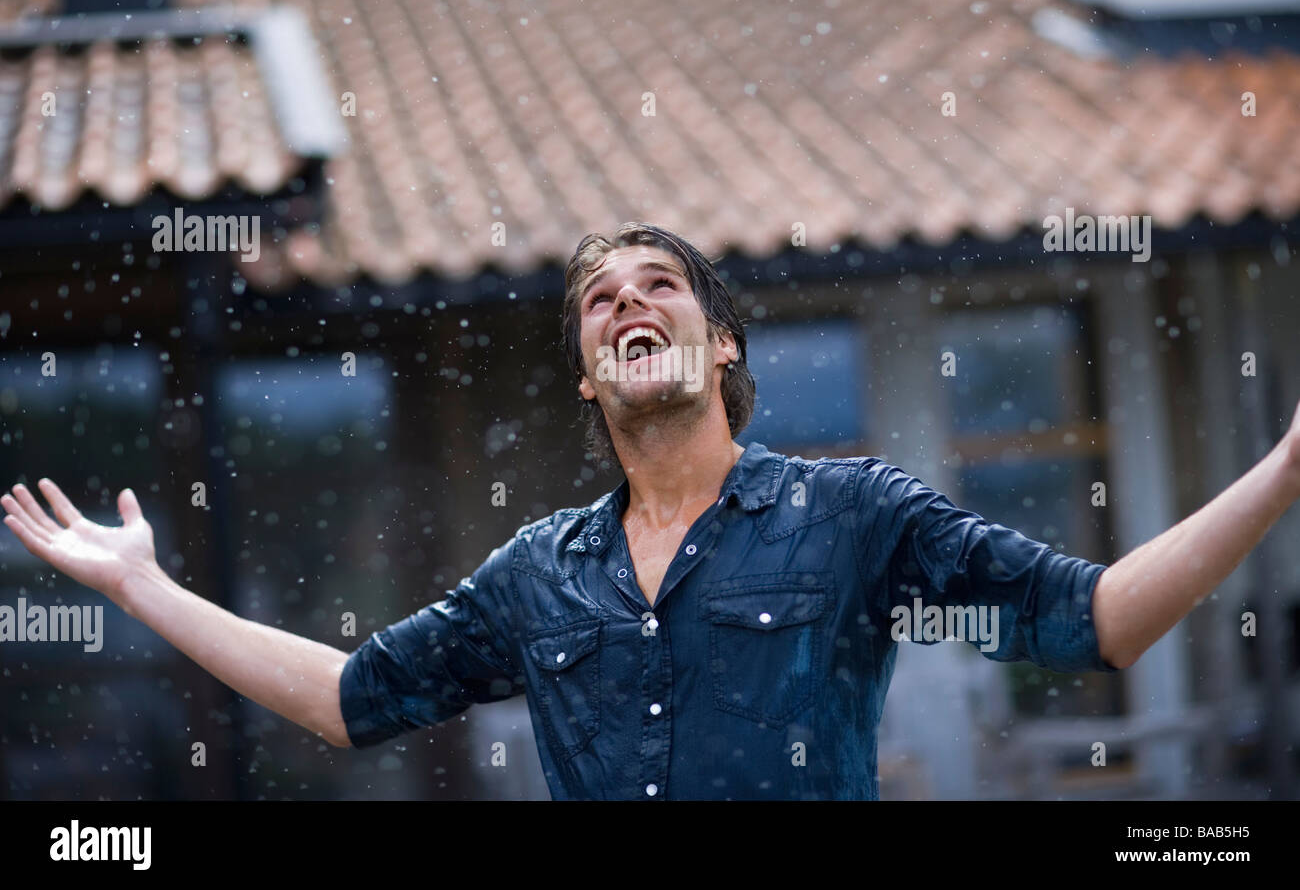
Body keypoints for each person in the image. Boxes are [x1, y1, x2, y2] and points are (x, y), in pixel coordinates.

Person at [4, 222, 1299, 799]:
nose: (629, 303)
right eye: (599, 298)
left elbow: (1101, 624)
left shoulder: (855, 517)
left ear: (720, 344)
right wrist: (146, 590)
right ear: (586, 369)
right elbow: (349, 703)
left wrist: (1288, 462)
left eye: (659, 285)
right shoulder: (537, 574)